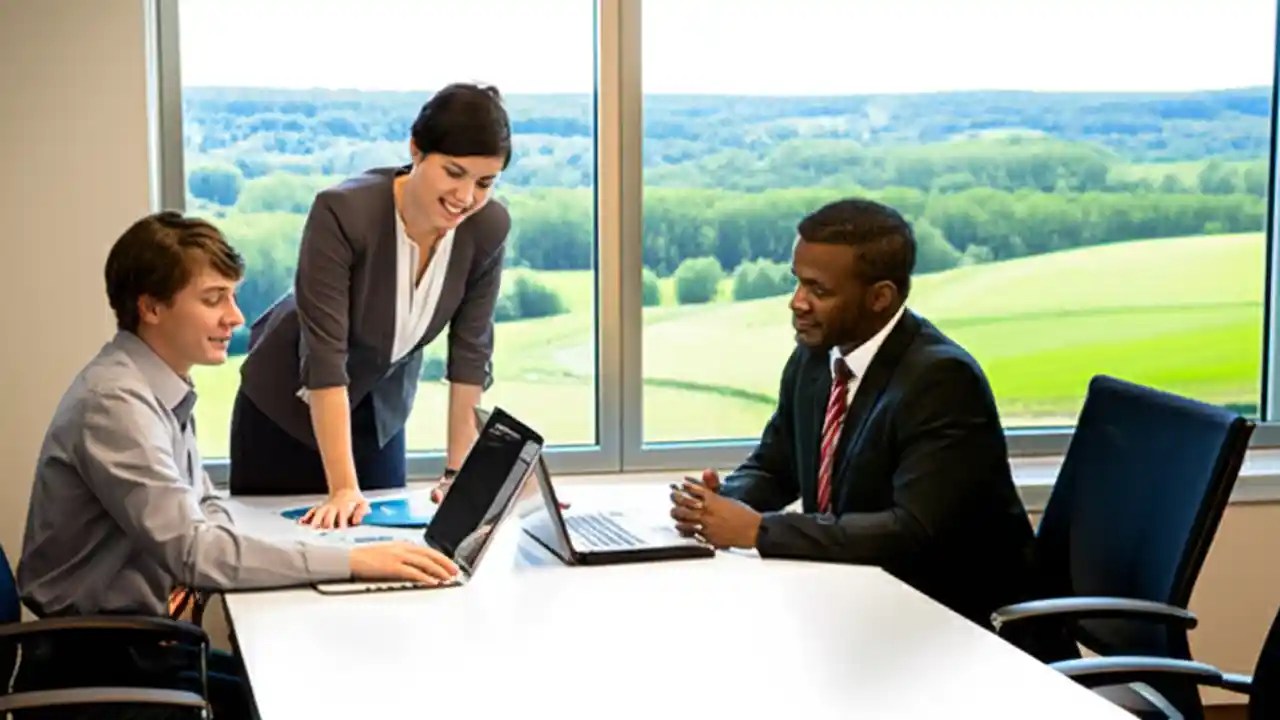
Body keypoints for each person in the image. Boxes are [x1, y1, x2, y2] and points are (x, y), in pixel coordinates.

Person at [16, 212, 460, 717]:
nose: (235, 316)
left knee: (299, 677)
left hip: (140, 643)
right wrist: (353, 562)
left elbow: (203, 507)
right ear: (151, 307)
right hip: (99, 659)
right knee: (296, 697)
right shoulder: (115, 405)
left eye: (231, 295)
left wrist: (310, 548)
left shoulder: (155, 385)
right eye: (213, 299)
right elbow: (194, 551)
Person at [668, 198, 1035, 625]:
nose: (797, 303)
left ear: (880, 297)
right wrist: (720, 502)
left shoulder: (942, 381)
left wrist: (758, 530)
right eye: (797, 283)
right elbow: (776, 466)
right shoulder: (816, 356)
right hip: (855, 605)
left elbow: (911, 531)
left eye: (817, 290)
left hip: (957, 626)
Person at [229, 82, 512, 529]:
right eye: (453, 172)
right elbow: (324, 358)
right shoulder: (344, 212)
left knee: (378, 546)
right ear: (416, 150)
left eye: (484, 182)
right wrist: (342, 486)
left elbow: (471, 353)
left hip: (379, 413)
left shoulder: (486, 227)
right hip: (286, 409)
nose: (466, 197)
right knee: (279, 550)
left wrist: (457, 473)